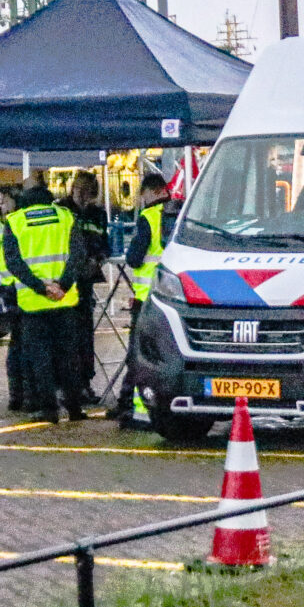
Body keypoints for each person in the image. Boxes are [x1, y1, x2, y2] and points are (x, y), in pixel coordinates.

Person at [1, 179, 89, 421]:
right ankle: (74, 408)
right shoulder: (66, 217)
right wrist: (63, 285)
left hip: (33, 304)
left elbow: (14, 263)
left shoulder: (15, 222)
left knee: (40, 359)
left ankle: (49, 409)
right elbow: (78, 254)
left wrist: (41, 288)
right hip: (65, 300)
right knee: (69, 357)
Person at [118, 171, 170, 427]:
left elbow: (134, 257)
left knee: (138, 356)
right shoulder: (180, 215)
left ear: (152, 191)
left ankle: (135, 409)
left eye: (144, 194)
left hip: (145, 298)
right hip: (171, 299)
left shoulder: (148, 217)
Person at [66, 171, 109, 392]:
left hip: (85, 282)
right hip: (66, 280)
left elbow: (105, 244)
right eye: (80, 191)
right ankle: (71, 384)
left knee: (84, 335)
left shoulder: (97, 214)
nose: (84, 197)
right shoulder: (63, 211)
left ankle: (84, 382)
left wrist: (98, 259)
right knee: (70, 336)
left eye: (88, 193)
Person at [0, 186, 26, 411]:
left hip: (18, 289)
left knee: (20, 345)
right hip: (12, 290)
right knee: (18, 345)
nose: (0, 205)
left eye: (4, 200)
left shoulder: (15, 224)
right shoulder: (6, 226)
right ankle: (18, 393)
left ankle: (20, 394)